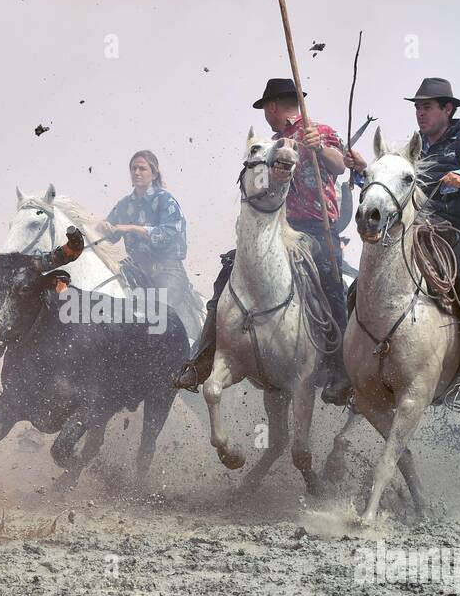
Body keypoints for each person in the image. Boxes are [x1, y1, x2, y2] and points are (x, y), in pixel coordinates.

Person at [173, 78, 351, 403]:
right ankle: (203, 357)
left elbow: (340, 166)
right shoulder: (269, 144)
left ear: (271, 107)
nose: (267, 115)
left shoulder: (319, 130)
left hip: (315, 228)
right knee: (228, 272)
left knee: (330, 284)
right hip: (274, 228)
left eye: (266, 109)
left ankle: (339, 371)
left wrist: (318, 149)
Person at [345, 76, 460, 393]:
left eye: (427, 107)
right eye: (418, 107)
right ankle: (348, 369)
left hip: (458, 232)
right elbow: (391, 192)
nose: (420, 113)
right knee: (361, 285)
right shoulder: (412, 148)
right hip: (415, 231)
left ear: (447, 109)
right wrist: (363, 171)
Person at [96, 150, 203, 338]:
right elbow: (109, 234)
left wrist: (130, 228)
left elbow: (166, 235)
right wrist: (102, 227)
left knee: (162, 317)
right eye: (133, 168)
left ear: (153, 174)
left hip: (166, 270)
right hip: (135, 271)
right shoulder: (123, 204)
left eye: (142, 168)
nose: (137, 172)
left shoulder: (165, 200)